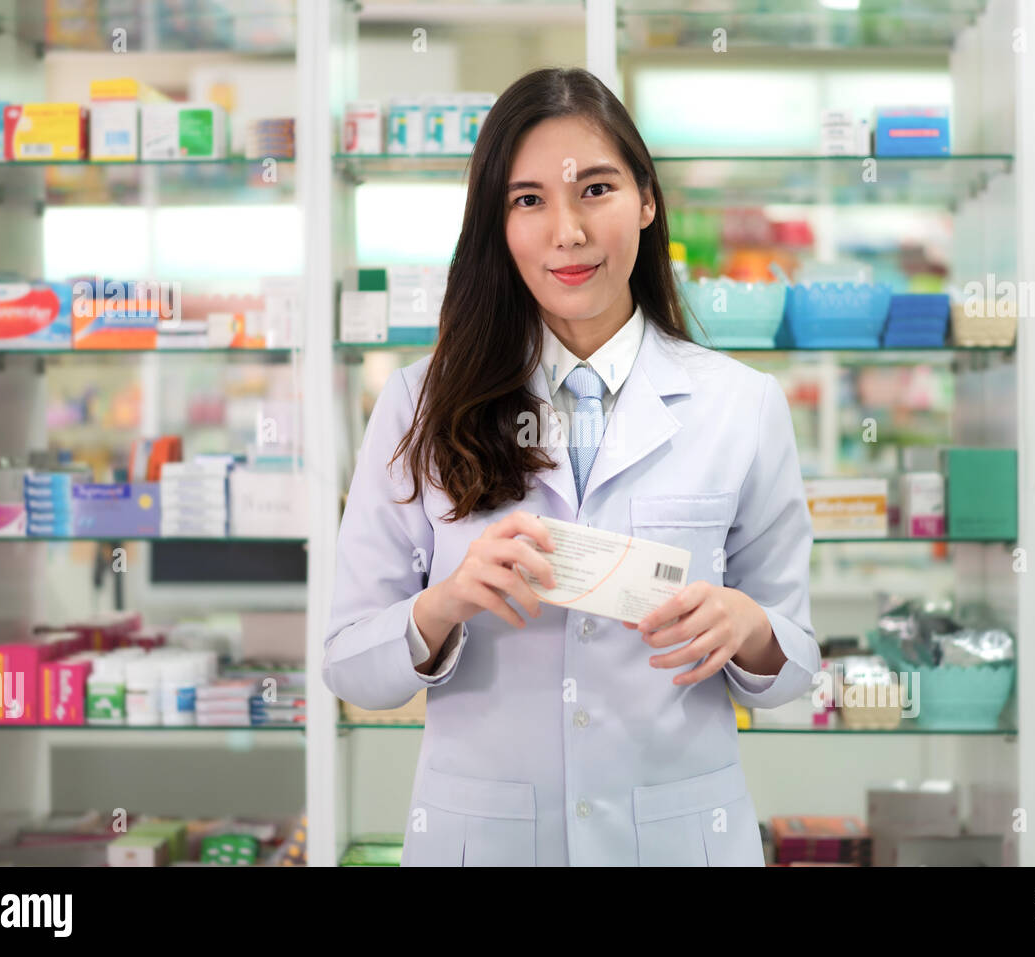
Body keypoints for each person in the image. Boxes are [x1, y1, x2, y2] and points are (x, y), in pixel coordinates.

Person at [323, 67, 818, 866]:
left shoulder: (742, 404)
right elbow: (350, 664)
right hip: (484, 840)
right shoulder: (420, 403)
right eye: (529, 200)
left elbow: (795, 657)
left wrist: (749, 627)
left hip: (675, 838)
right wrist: (443, 604)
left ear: (647, 200)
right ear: (497, 223)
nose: (568, 232)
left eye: (595, 189)